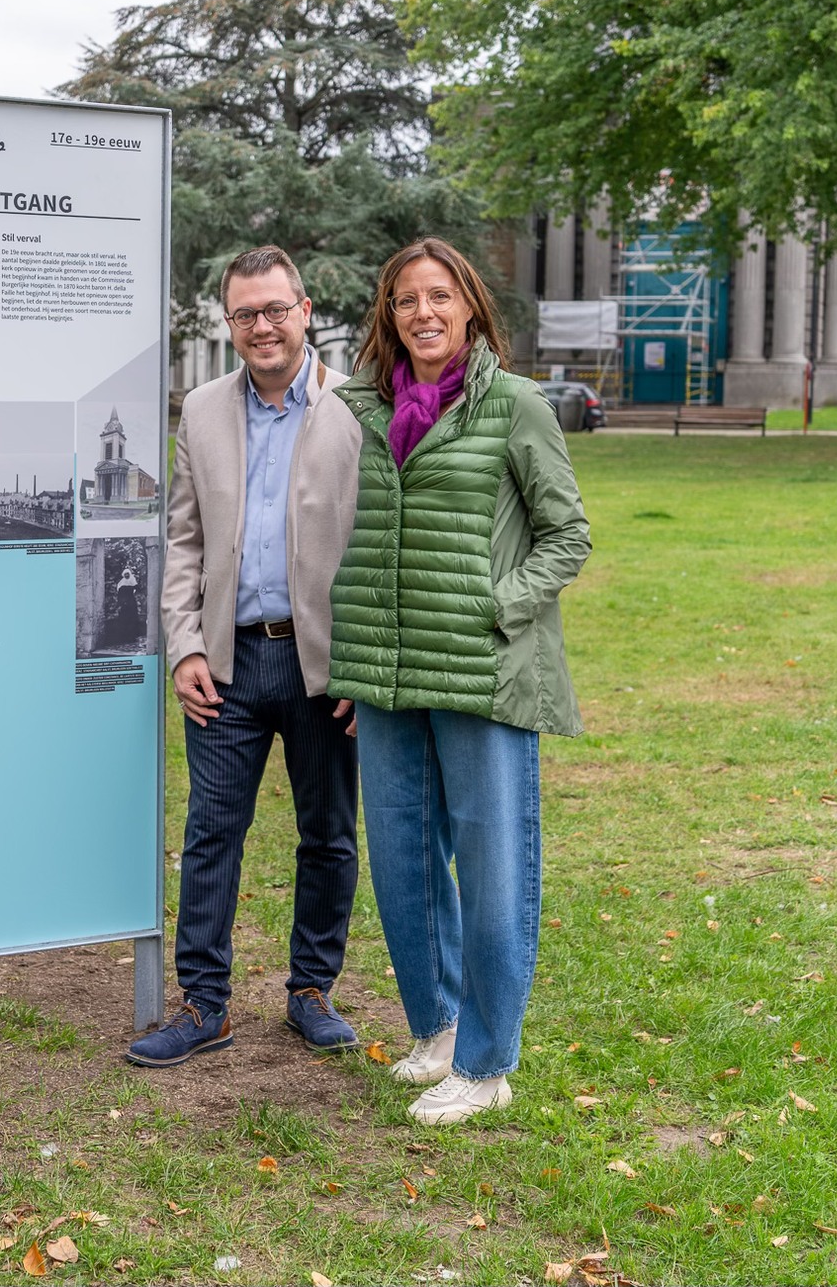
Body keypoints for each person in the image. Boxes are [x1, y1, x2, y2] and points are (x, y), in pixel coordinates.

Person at [327, 236, 591, 1126]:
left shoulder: (516, 406)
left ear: (470, 307)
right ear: (388, 316)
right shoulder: (362, 409)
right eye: (407, 300)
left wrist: (496, 605)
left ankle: (486, 1062)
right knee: (403, 865)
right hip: (390, 675)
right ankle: (437, 1029)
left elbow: (568, 534)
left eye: (440, 296)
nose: (424, 313)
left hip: (483, 672)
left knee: (491, 866)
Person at [136, 245, 363, 1067]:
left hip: (324, 668)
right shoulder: (200, 410)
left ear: (306, 309)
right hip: (226, 663)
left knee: (329, 834)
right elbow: (184, 539)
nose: (261, 326)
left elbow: (377, 545)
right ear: (228, 322)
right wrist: (184, 647)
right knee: (210, 834)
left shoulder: (356, 407)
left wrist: (363, 666)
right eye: (244, 314)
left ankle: (311, 989)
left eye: (275, 309)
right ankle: (204, 1004)